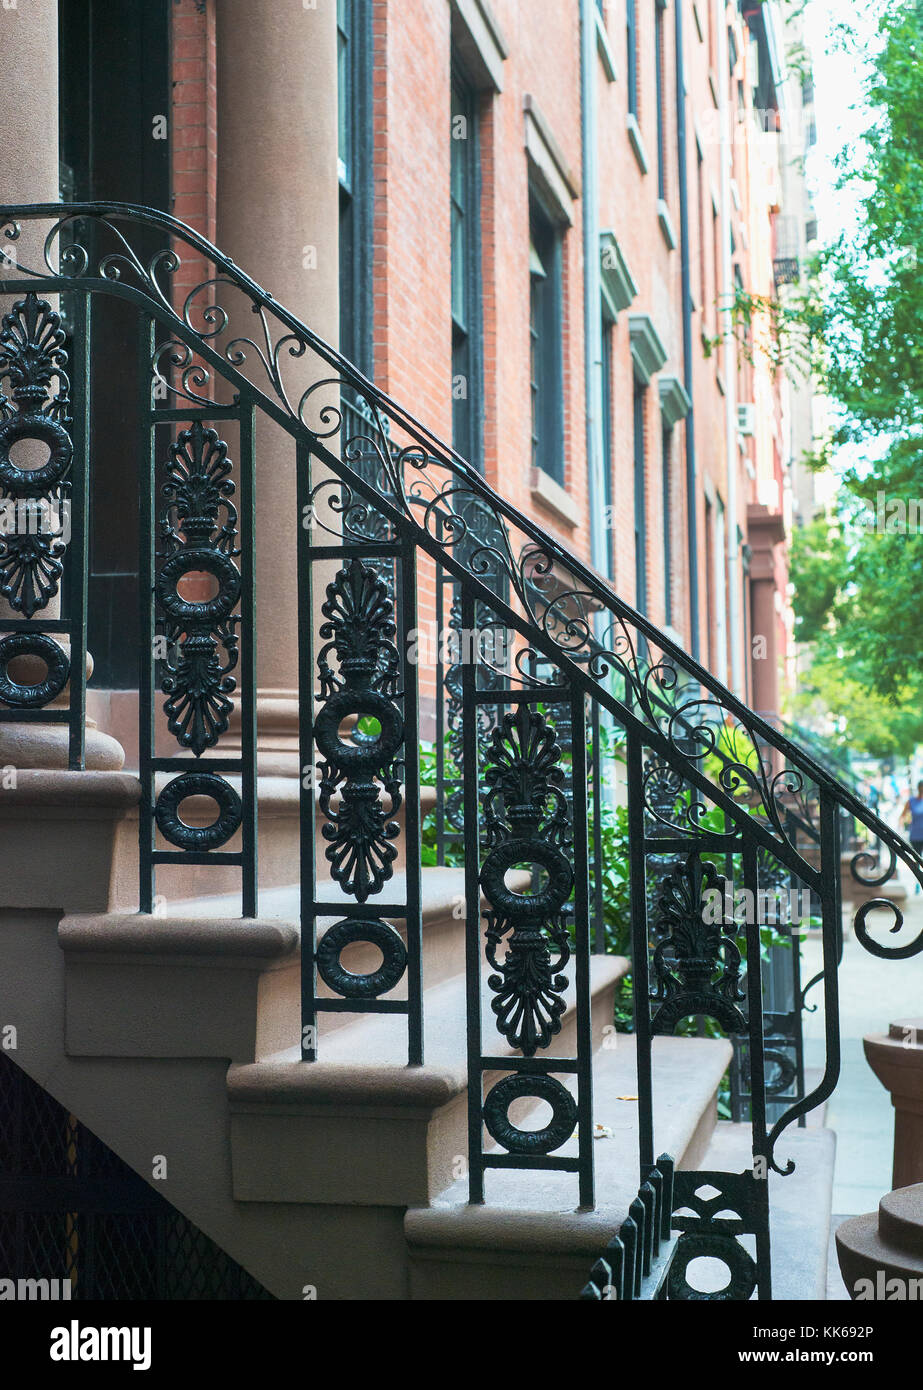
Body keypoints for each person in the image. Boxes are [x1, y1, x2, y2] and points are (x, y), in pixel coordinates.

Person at [902, 781, 923, 892]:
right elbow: (903, 816)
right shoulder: (911, 801)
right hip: (915, 835)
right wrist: (904, 822)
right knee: (917, 860)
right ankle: (918, 883)